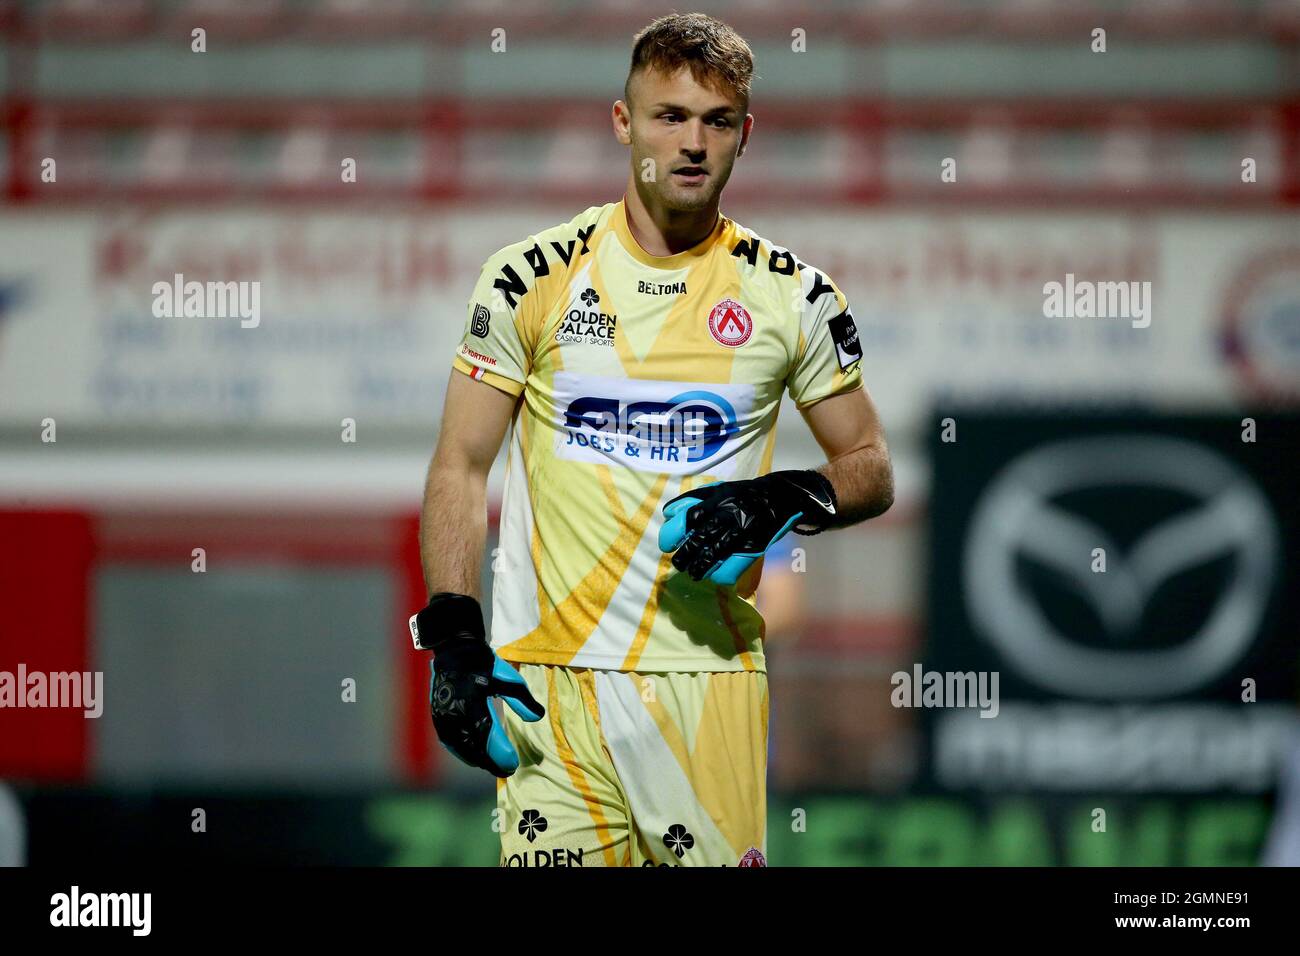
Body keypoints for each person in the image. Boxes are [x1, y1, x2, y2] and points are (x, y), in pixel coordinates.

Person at [411, 12, 893, 867]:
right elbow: (459, 464)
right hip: (545, 686)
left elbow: (871, 468)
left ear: (746, 135)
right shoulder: (529, 276)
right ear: (623, 123)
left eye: (715, 121)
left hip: (704, 685)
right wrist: (452, 633)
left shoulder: (796, 299)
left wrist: (783, 497)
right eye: (669, 116)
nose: (692, 142)